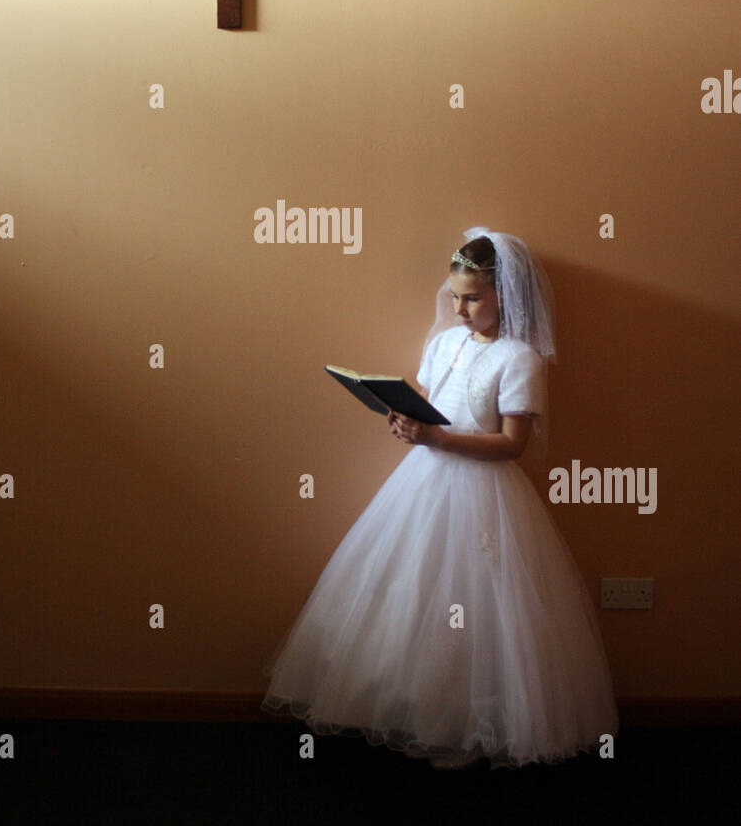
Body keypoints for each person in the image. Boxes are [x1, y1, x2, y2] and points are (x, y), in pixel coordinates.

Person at [260, 226, 618, 770]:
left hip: (484, 492)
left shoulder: (520, 359)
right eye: (454, 296)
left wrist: (435, 438)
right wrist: (408, 422)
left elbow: (511, 445)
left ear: (506, 296)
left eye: (472, 298)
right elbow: (433, 405)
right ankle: (413, 709)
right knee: (411, 592)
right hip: (422, 482)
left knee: (477, 606)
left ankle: (467, 723)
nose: (458, 309)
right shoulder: (444, 343)